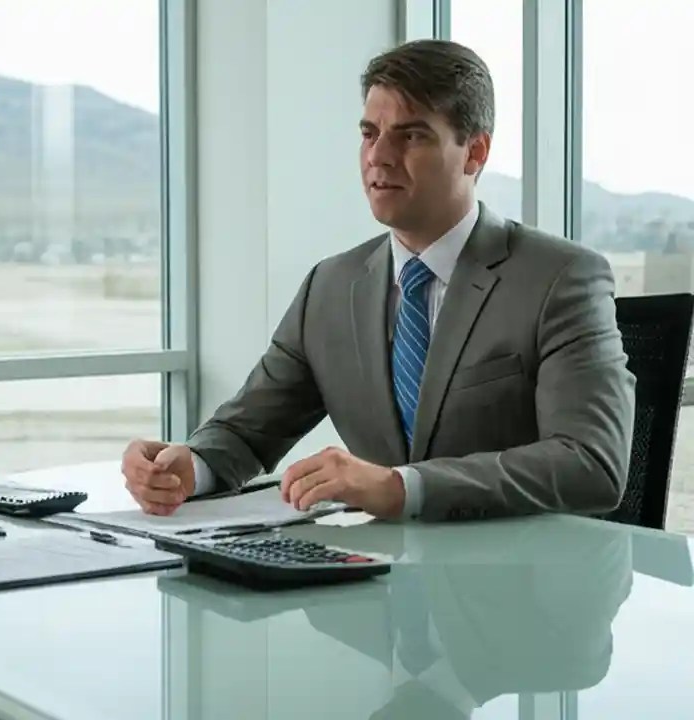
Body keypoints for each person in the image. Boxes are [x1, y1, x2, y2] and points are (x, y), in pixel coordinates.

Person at [121, 39, 635, 522]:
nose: (378, 156)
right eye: (369, 133)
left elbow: (589, 463)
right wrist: (188, 466)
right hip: (379, 586)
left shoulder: (560, 278)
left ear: (475, 153)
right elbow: (247, 433)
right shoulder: (331, 286)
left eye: (411, 135)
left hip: (524, 591)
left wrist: (399, 486)